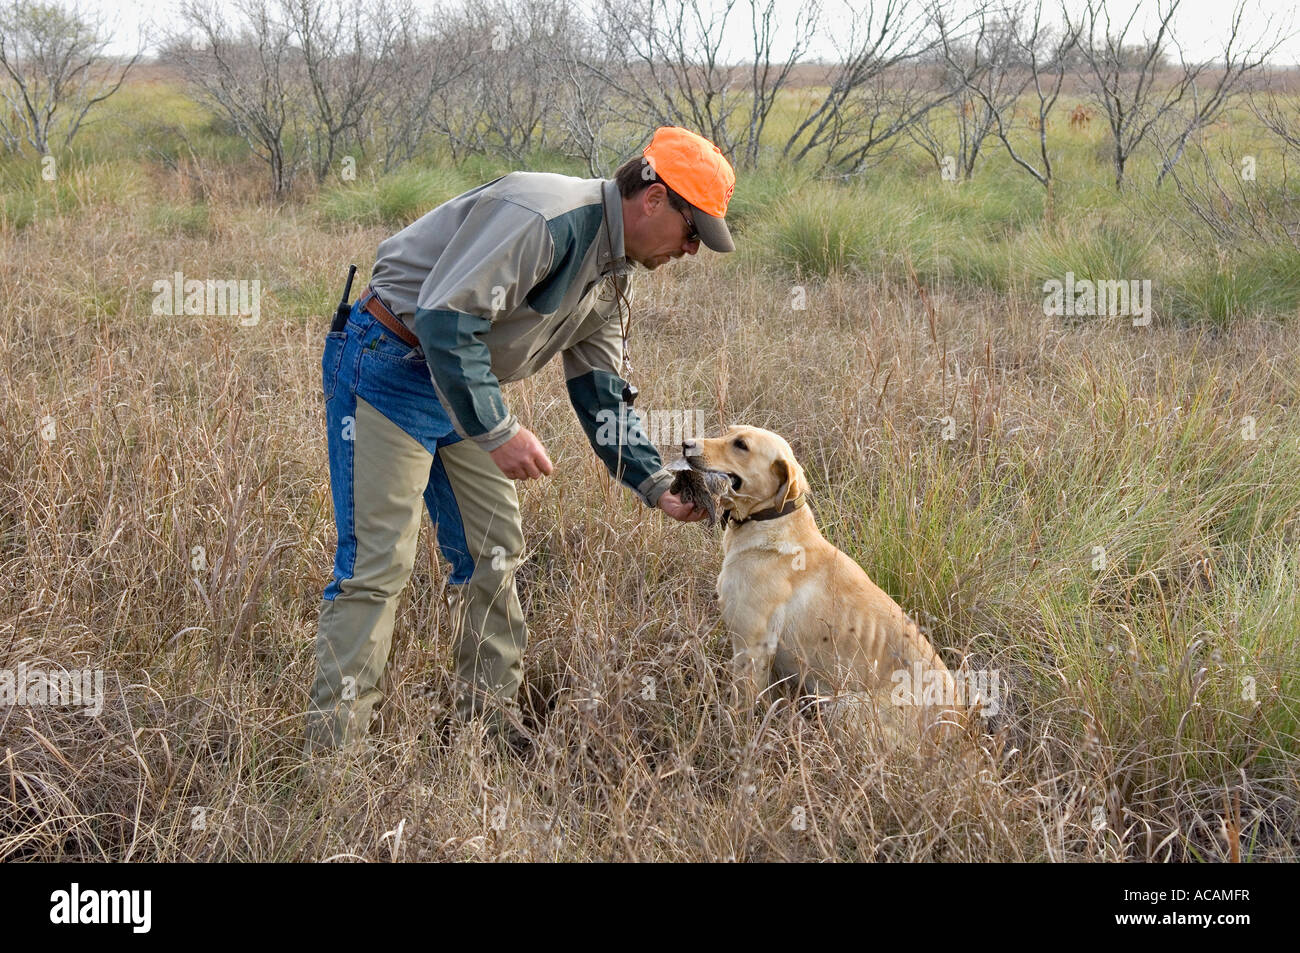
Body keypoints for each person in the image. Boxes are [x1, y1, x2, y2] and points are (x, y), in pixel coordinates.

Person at [305, 126, 737, 752]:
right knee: (376, 568)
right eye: (693, 231)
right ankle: (334, 766)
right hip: (391, 363)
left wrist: (655, 483)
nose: (692, 250)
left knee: (496, 551)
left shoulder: (615, 275)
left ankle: (485, 727)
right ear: (654, 200)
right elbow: (445, 318)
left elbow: (601, 390)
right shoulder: (545, 215)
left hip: (460, 382)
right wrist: (498, 430)